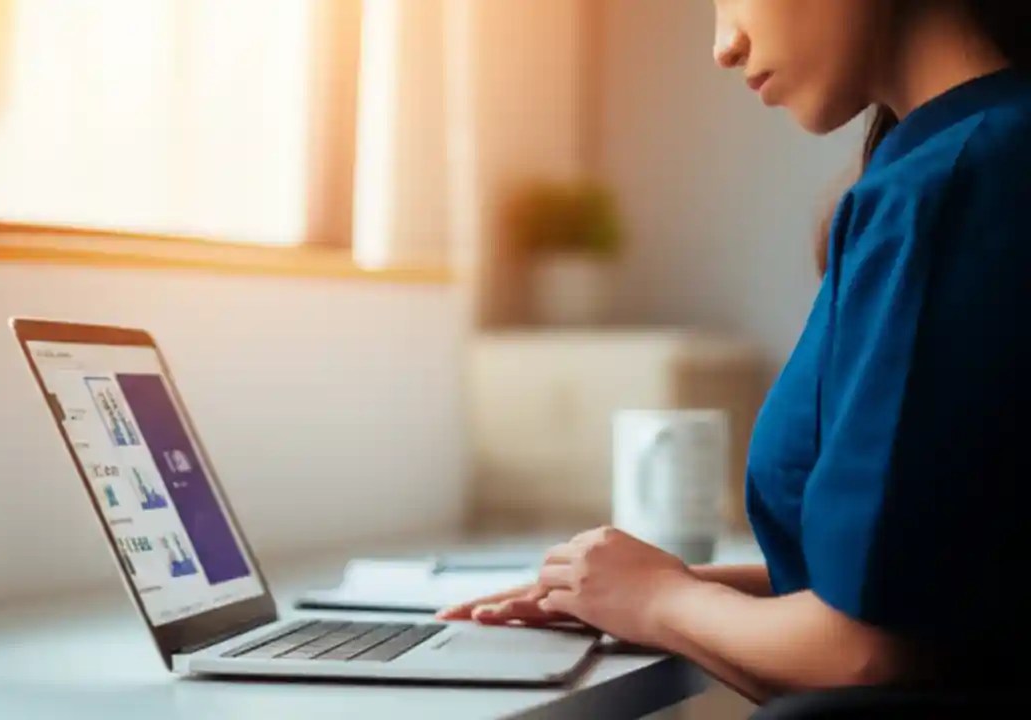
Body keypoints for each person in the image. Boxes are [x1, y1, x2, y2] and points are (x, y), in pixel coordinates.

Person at [438, 0, 1031, 704]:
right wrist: (650, 592)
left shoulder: (953, 182)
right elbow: (939, 600)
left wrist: (662, 604)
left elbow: (864, 655)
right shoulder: (975, 155)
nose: (725, 44)